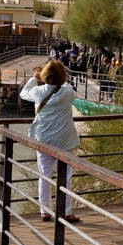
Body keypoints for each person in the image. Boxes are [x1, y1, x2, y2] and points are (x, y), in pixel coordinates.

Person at [19, 59, 80, 224]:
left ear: (45, 75)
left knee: (45, 175)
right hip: (65, 140)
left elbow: (23, 93)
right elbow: (66, 86)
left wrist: (34, 78)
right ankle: (66, 212)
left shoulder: (38, 92)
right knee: (66, 177)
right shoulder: (68, 92)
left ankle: (45, 211)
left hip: (44, 140)